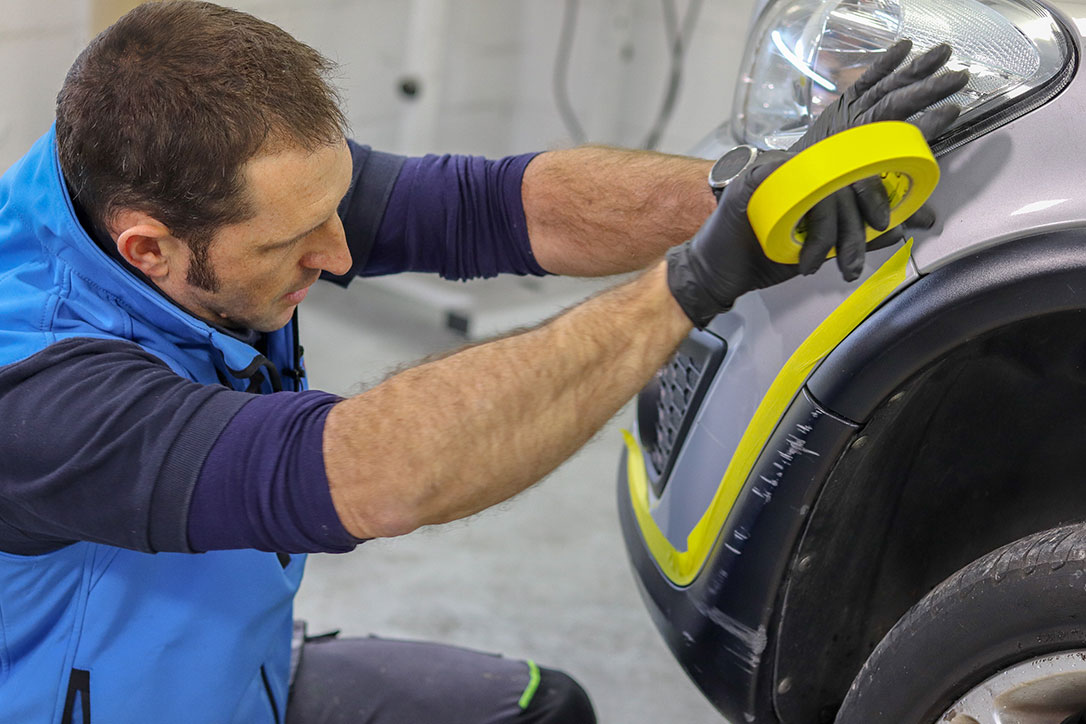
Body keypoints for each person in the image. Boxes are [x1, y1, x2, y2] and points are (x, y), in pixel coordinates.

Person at [0, 2, 967, 722]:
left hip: (231, 674)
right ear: (147, 249)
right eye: (292, 244)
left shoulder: (170, 175)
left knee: (542, 713)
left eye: (336, 209)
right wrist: (690, 285)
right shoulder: (41, 394)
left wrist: (749, 191)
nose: (339, 254)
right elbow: (366, 474)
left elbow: (494, 207)